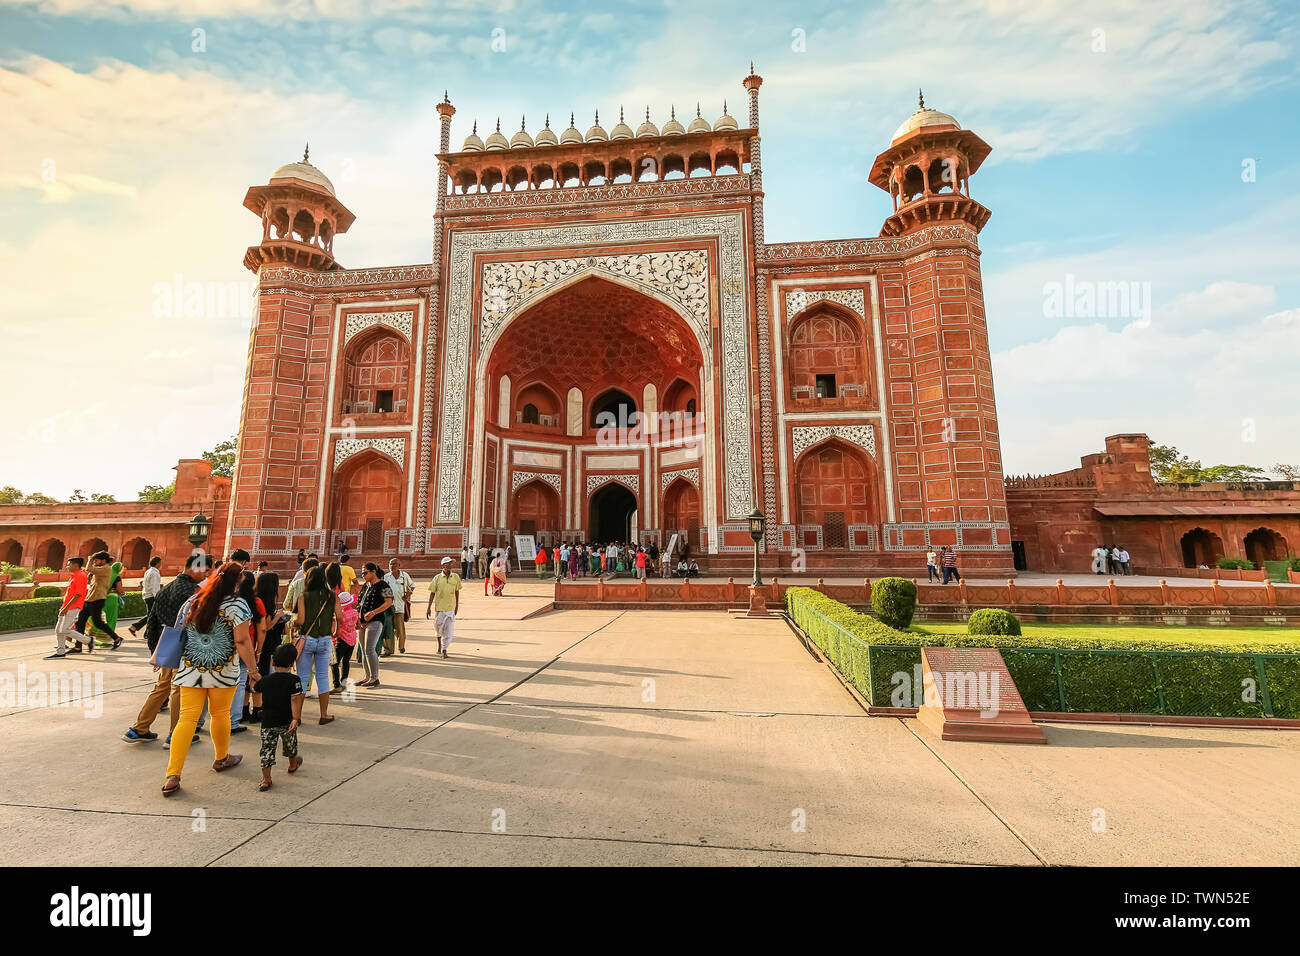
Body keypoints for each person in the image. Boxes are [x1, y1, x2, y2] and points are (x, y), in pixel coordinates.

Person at [161, 562, 260, 797]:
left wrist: (164, 660)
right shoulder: (237, 605)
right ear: (238, 581)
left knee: (187, 719)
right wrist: (254, 671)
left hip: (191, 670)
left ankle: (173, 774)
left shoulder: (195, 600)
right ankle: (221, 758)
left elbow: (177, 632)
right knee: (220, 714)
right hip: (222, 670)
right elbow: (243, 641)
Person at [124, 553, 214, 744]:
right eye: (205, 571)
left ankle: (139, 728)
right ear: (195, 568)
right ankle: (176, 734)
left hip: (167, 646)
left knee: (162, 687)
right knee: (178, 688)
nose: (206, 576)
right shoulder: (193, 591)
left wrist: (155, 651)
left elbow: (152, 622)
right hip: (185, 648)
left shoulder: (167, 589)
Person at [295, 565, 342, 723]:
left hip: (307, 640)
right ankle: (323, 715)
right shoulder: (332, 596)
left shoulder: (303, 597)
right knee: (322, 677)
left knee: (302, 678)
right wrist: (336, 631)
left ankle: (297, 717)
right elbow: (340, 617)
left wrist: (294, 623)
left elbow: (301, 620)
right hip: (325, 639)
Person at [255, 643, 304, 792]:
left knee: (267, 750)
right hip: (287, 721)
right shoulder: (294, 680)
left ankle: (266, 779)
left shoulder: (265, 680)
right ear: (292, 663)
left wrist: (255, 678)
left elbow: (255, 689)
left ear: (272, 662)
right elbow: (295, 699)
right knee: (290, 745)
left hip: (268, 722)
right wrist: (296, 718)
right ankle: (292, 764)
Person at [66, 551, 122, 652]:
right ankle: (78, 646)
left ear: (103, 561)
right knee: (80, 623)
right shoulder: (101, 569)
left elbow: (88, 569)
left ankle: (117, 638)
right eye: (94, 560)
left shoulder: (106, 568)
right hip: (90, 598)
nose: (95, 561)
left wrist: (90, 559)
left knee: (98, 623)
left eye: (96, 560)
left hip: (98, 599)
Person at [251, 571, 288, 722]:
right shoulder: (265, 602)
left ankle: (250, 709)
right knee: (264, 676)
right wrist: (278, 617)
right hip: (265, 644)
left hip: (260, 642)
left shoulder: (256, 598)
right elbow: (265, 626)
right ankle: (259, 710)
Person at [229, 570, 262, 735]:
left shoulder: (215, 601)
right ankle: (233, 721)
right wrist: (254, 665)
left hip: (221, 650)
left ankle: (199, 721)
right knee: (240, 684)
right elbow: (246, 637)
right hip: (244, 647)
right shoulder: (248, 603)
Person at [356, 563, 392, 687]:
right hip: (363, 622)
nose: (363, 575)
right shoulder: (366, 586)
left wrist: (374, 612)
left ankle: (374, 678)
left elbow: (389, 602)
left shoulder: (383, 585)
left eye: (365, 573)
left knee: (369, 649)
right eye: (362, 573)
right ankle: (367, 676)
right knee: (364, 649)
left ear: (373, 572)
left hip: (375, 621)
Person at [48, 556, 88, 659]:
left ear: (75, 565)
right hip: (66, 606)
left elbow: (78, 594)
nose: (67, 566)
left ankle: (88, 641)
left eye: (69, 564)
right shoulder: (74, 575)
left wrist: (66, 607)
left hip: (72, 607)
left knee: (64, 629)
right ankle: (61, 652)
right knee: (58, 630)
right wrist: (63, 607)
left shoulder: (80, 576)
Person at [426, 556, 461, 660]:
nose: (450, 565)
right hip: (439, 607)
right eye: (448, 563)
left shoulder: (455, 577)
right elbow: (432, 593)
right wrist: (428, 607)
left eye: (451, 563)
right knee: (438, 628)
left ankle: (444, 650)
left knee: (448, 631)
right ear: (443, 565)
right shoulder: (437, 578)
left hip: (450, 607)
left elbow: (457, 591)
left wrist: (457, 605)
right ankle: (440, 646)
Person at [129, 556, 164, 637]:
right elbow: (154, 587)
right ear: (158, 563)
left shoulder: (148, 571)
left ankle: (142, 631)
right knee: (152, 615)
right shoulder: (154, 573)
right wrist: (157, 598)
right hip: (151, 596)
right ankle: (137, 628)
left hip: (147, 595)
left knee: (151, 615)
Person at [384, 558, 414, 654]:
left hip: (400, 606)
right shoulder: (386, 577)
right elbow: (384, 590)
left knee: (400, 628)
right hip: (388, 606)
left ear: (399, 566)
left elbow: (412, 585)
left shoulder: (404, 576)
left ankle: (401, 647)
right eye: (390, 564)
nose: (392, 566)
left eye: (394, 564)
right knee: (388, 628)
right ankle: (388, 650)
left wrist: (408, 594)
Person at [332, 590, 359, 689]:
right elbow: (358, 626)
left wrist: (332, 635)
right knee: (346, 662)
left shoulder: (340, 615)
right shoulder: (355, 612)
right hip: (352, 640)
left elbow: (337, 631)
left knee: (335, 662)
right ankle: (344, 683)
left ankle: (336, 684)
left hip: (342, 639)